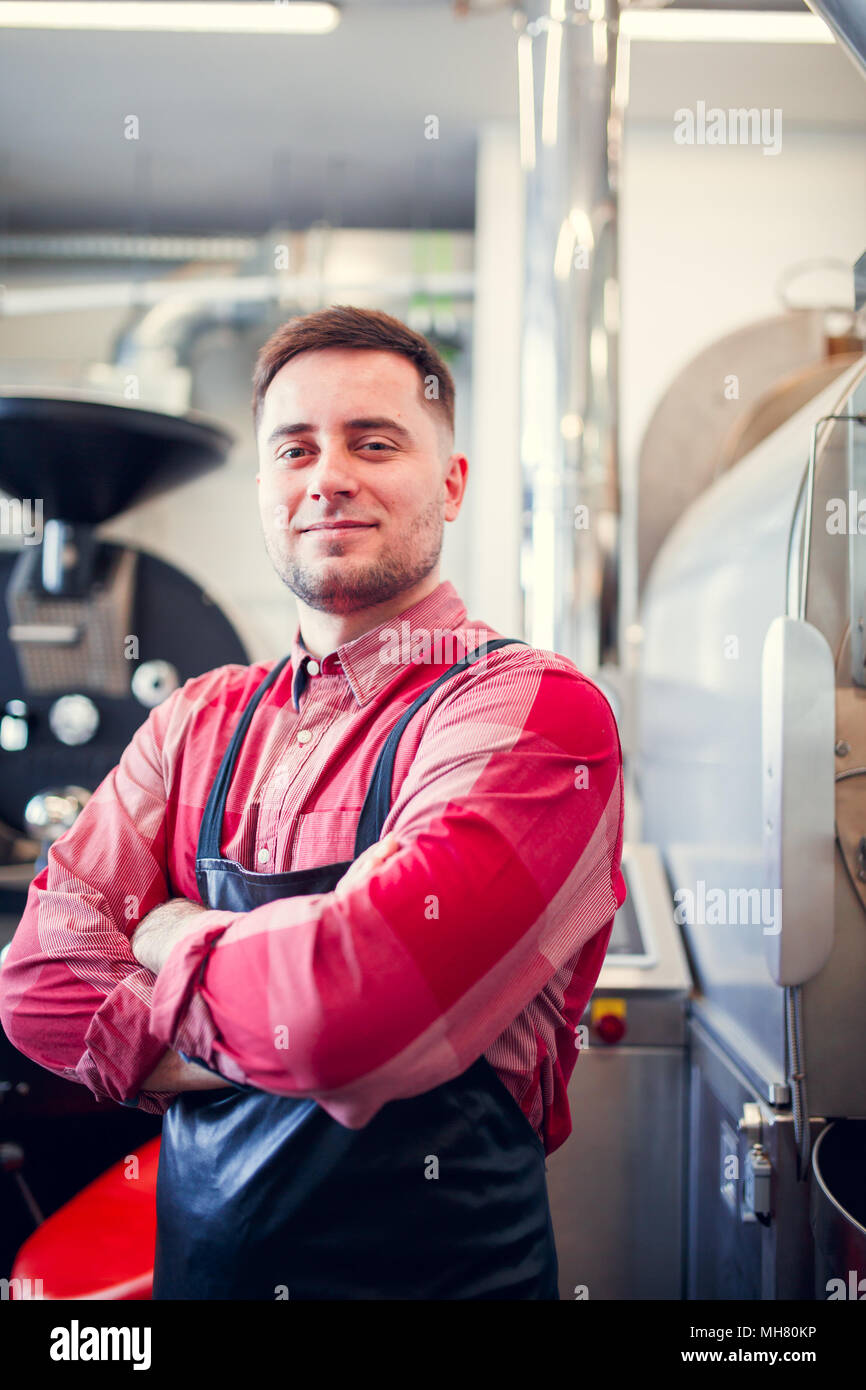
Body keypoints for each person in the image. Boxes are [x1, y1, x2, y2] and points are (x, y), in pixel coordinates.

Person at [0, 305, 626, 1300]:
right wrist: (297, 1020)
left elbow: (343, 1006)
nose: (328, 475)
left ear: (451, 482)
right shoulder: (194, 721)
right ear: (266, 489)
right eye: (295, 447)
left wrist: (163, 933)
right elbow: (35, 986)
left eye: (374, 442)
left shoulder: (532, 711)